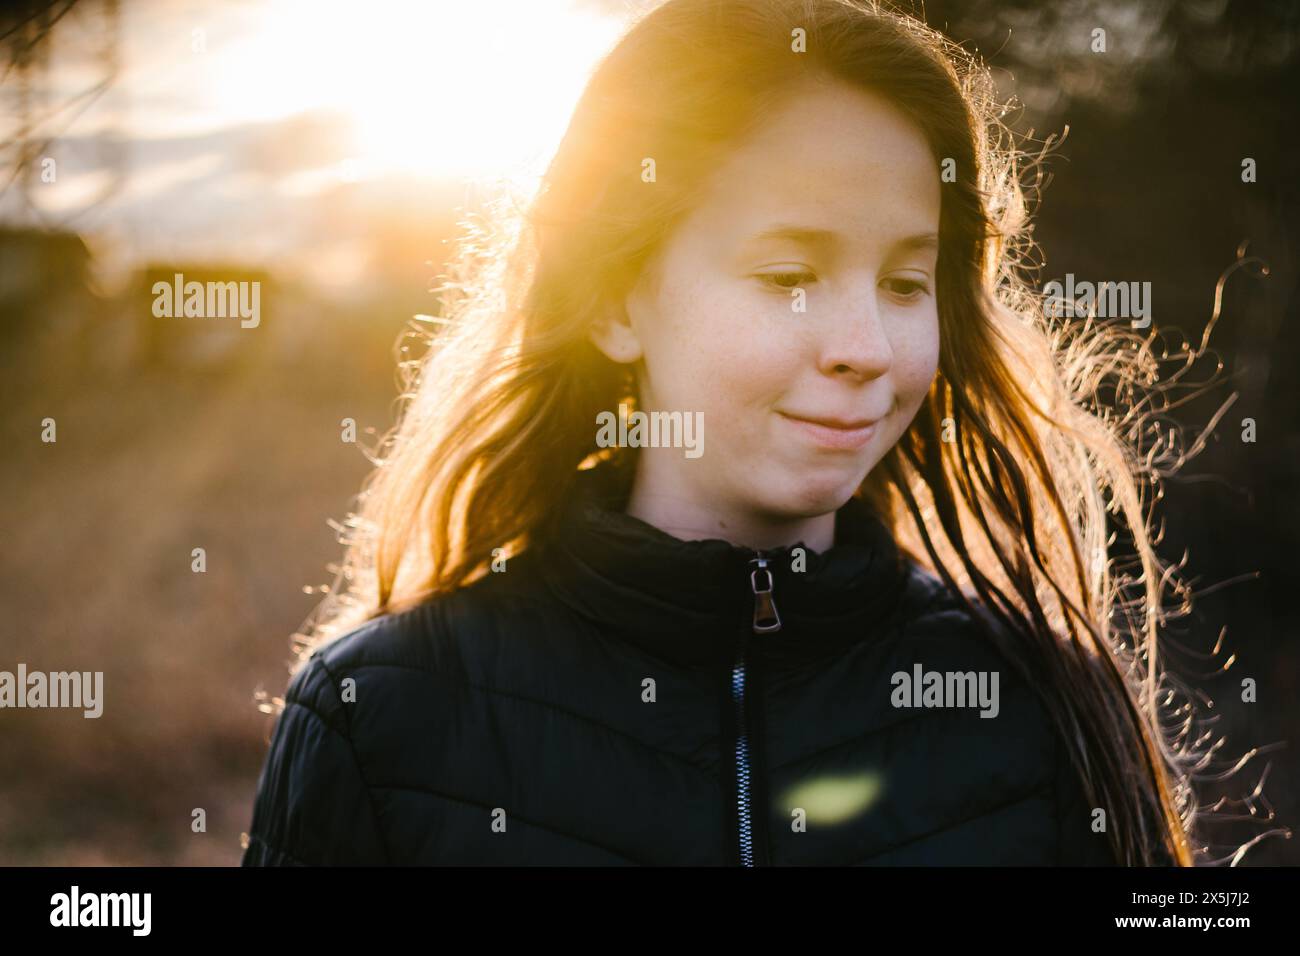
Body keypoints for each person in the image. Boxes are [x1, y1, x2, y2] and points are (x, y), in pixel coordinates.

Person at [242, 0, 1201, 865]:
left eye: (907, 283)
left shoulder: (1039, 707)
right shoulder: (381, 718)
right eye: (789, 275)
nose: (868, 347)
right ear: (617, 301)